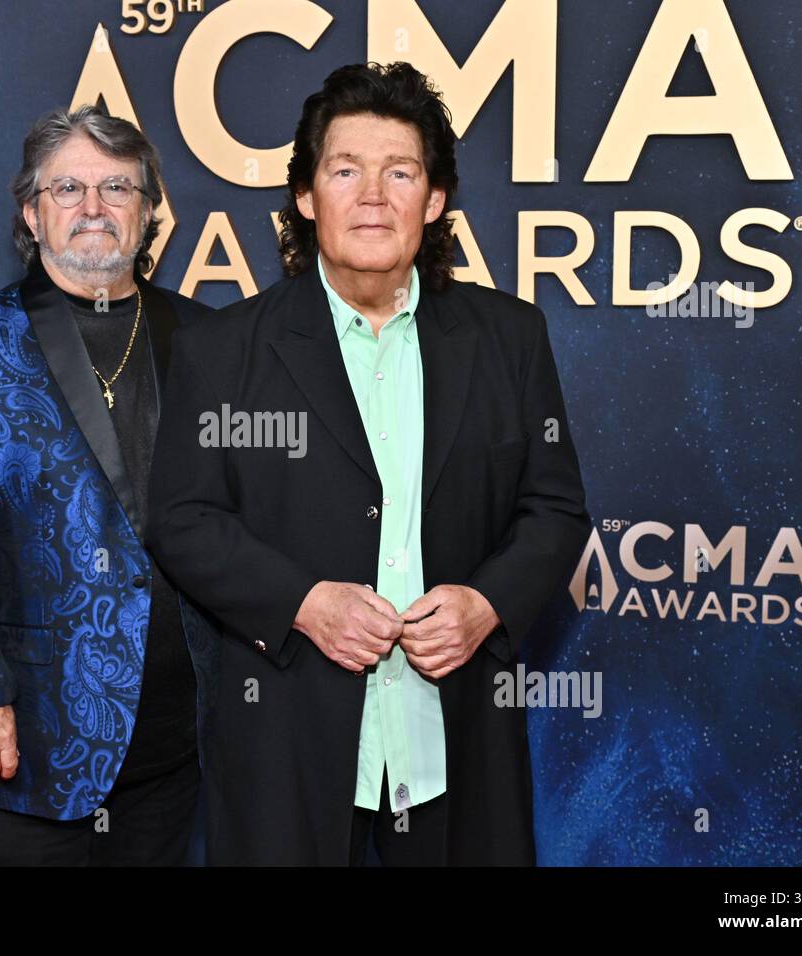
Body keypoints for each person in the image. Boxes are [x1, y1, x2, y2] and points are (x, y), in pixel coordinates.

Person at [146, 62, 591, 865]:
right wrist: (303, 603)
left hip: (457, 744)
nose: (375, 195)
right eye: (346, 170)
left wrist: (487, 604)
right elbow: (182, 518)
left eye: (402, 171)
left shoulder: (510, 338)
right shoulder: (221, 350)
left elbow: (554, 510)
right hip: (288, 746)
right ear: (307, 198)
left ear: (436, 199)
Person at [0, 104, 215, 866]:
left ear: (149, 213)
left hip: (179, 740)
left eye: (118, 188)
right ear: (32, 215)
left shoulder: (207, 336)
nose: (94, 208)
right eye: (67, 189)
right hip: (27, 739)